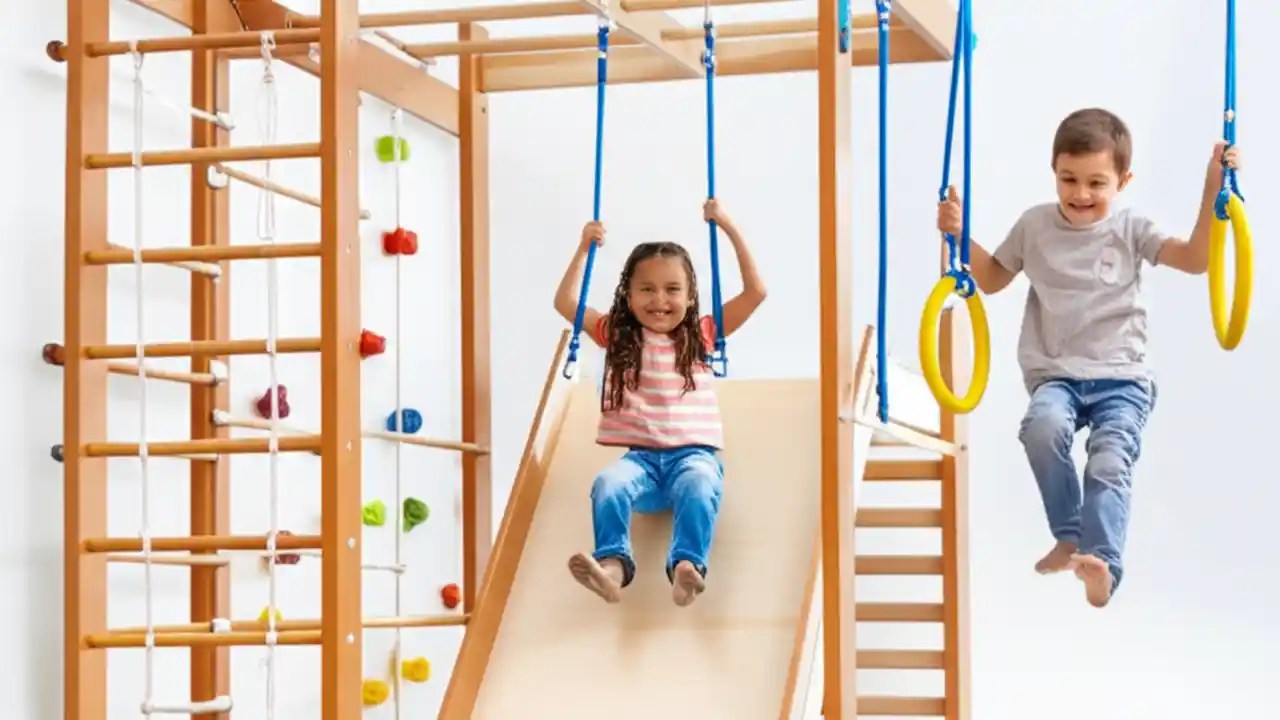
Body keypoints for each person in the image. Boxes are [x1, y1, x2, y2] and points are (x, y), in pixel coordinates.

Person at [935, 107, 1242, 608]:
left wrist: (1215, 188)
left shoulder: (1131, 229)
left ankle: (1101, 564)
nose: (1081, 194)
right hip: (1057, 374)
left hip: (1121, 380)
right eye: (1068, 179)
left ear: (1124, 180)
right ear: (1053, 170)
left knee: (1108, 462)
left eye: (1097, 183)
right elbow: (989, 279)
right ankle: (1070, 533)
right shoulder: (1035, 226)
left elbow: (1196, 260)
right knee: (1041, 427)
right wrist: (956, 233)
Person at [552, 198, 766, 607]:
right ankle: (612, 568)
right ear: (628, 295)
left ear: (689, 296)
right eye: (646, 289)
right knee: (607, 484)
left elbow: (756, 292)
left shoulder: (702, 335)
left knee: (700, 485)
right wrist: (583, 247)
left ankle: (687, 568)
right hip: (643, 464)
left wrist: (726, 225)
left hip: (693, 458)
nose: (659, 300)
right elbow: (565, 303)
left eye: (672, 289)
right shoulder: (617, 334)